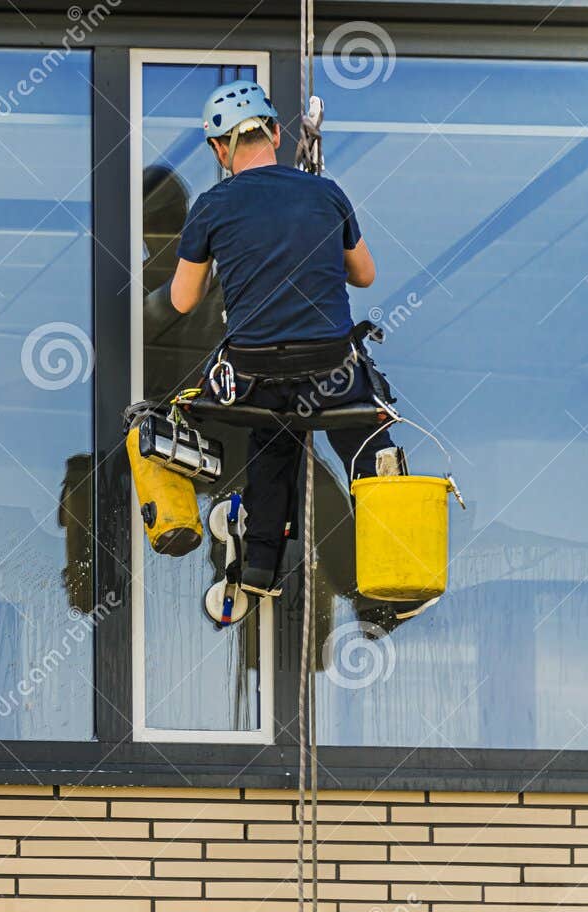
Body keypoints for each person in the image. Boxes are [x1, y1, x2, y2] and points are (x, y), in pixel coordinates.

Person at [170, 79, 393, 596]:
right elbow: (365, 275)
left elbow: (183, 301)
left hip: (256, 374)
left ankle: (260, 569)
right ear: (273, 131)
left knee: (270, 433)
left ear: (218, 149)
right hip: (331, 368)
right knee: (363, 441)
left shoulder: (211, 205)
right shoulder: (325, 193)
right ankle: (392, 563)